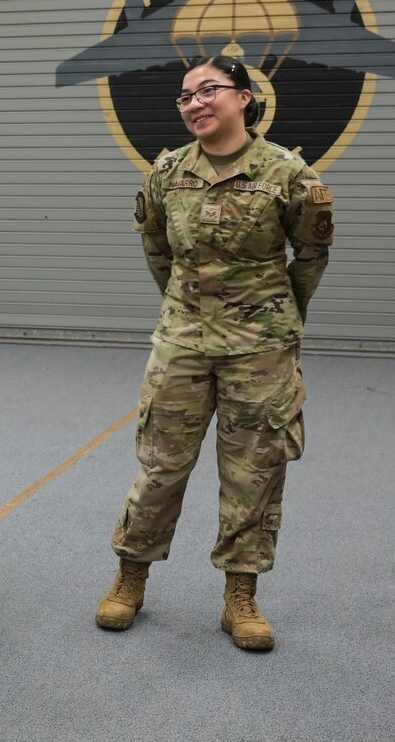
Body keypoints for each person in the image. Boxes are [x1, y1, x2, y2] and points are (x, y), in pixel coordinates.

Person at [95, 55, 332, 649]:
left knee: (254, 470)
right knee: (160, 465)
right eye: (185, 97)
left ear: (246, 98)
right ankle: (130, 578)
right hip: (182, 341)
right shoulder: (167, 172)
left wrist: (279, 319)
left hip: (260, 347)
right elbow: (155, 247)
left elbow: (310, 256)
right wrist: (185, 312)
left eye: (209, 91)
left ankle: (241, 595)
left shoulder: (288, 175)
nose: (195, 104)